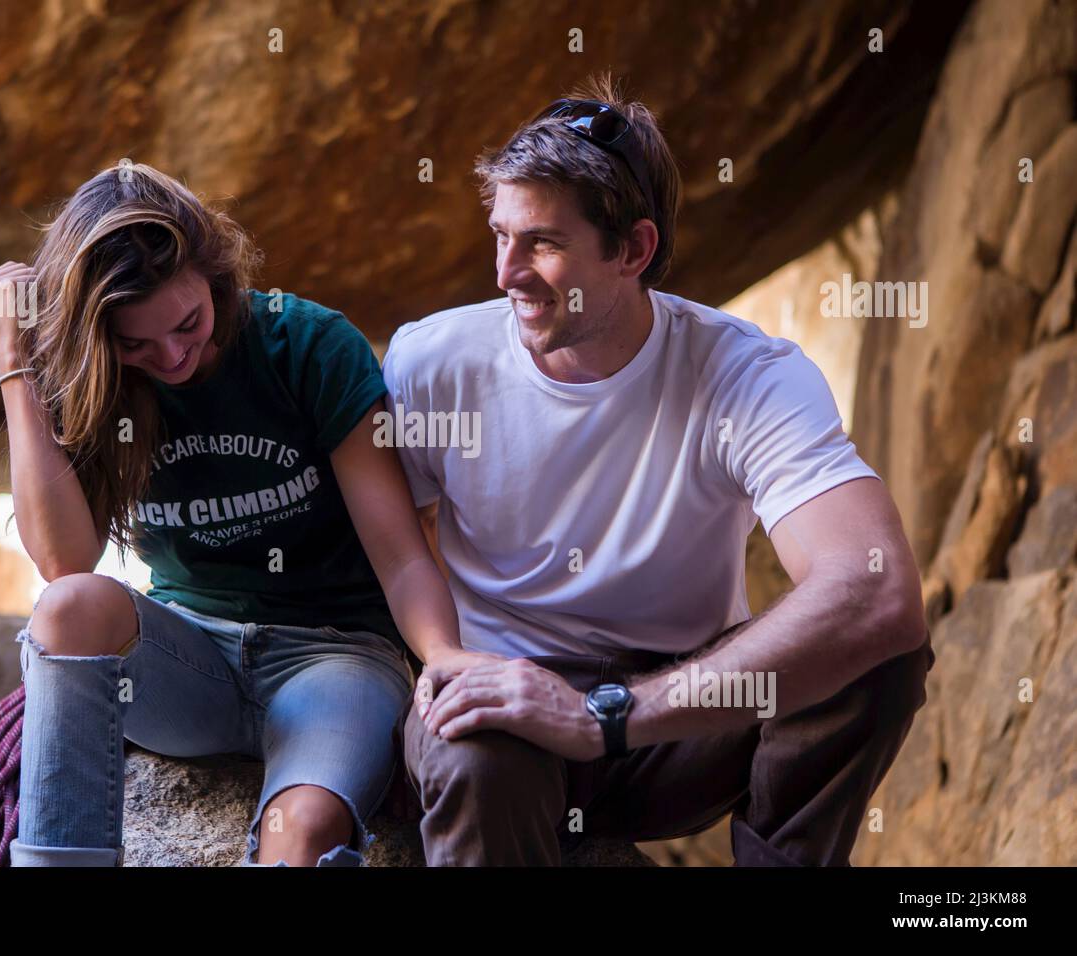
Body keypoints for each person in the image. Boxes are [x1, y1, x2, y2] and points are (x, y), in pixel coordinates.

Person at [381, 75, 936, 866]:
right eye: (499, 234)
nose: (506, 273)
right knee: (474, 745)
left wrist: (602, 714)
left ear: (634, 250)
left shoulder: (745, 375)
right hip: (506, 704)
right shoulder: (435, 362)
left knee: (875, 657)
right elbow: (385, 550)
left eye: (542, 242)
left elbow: (876, 587)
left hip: (680, 715)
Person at [0, 162, 476, 866]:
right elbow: (64, 565)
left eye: (187, 324)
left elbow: (400, 554)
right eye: (137, 344)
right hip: (192, 661)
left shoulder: (305, 345)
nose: (173, 355)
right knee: (67, 607)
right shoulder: (97, 378)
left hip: (335, 655)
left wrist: (444, 660)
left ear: (214, 273)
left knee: (299, 832)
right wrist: (16, 361)